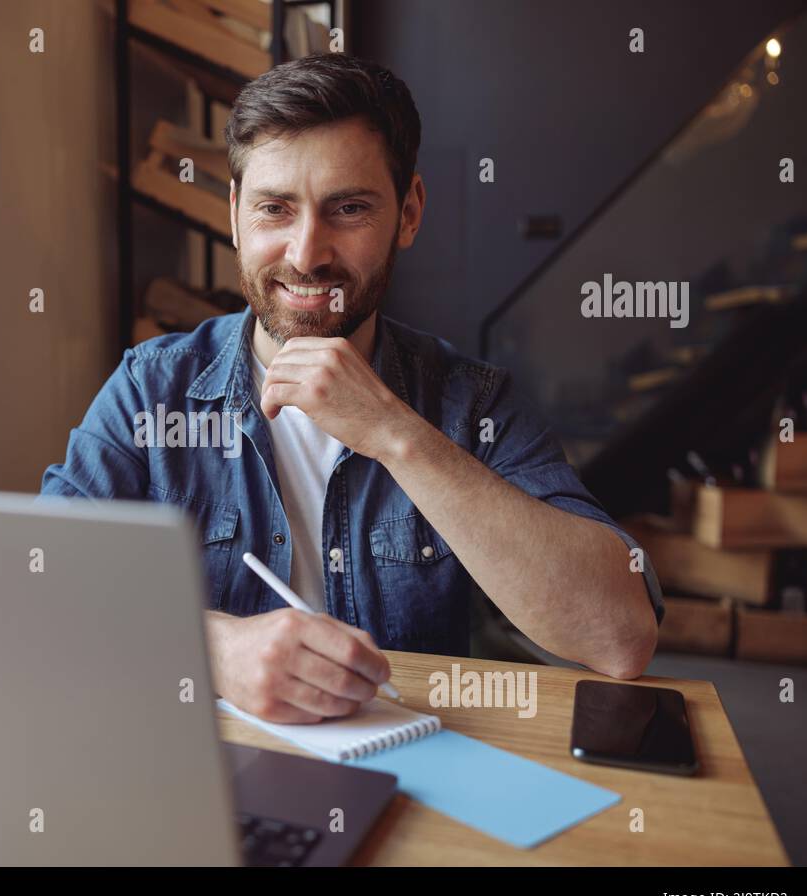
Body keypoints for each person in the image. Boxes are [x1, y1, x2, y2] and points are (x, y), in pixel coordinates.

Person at [42, 53, 662, 724]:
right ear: (234, 213)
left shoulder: (470, 402)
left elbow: (620, 637)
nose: (307, 253)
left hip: (408, 781)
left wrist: (398, 437)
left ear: (409, 212)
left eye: (349, 208)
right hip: (200, 782)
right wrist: (211, 649)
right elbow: (39, 587)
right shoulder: (149, 392)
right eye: (275, 209)